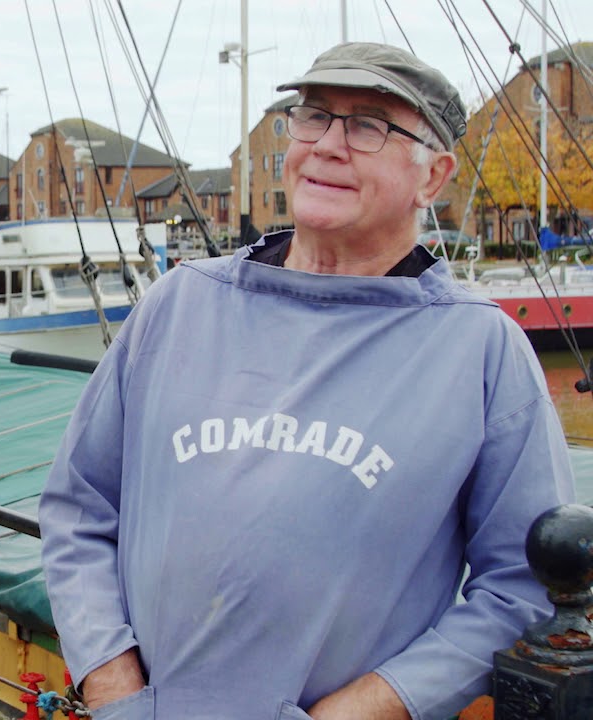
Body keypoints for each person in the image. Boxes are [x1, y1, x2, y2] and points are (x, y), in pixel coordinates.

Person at [39, 42, 575, 720]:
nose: (327, 144)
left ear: (433, 177)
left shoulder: (478, 348)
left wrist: (362, 709)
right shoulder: (177, 304)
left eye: (368, 125)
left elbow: (521, 587)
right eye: (313, 115)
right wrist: (112, 684)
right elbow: (79, 507)